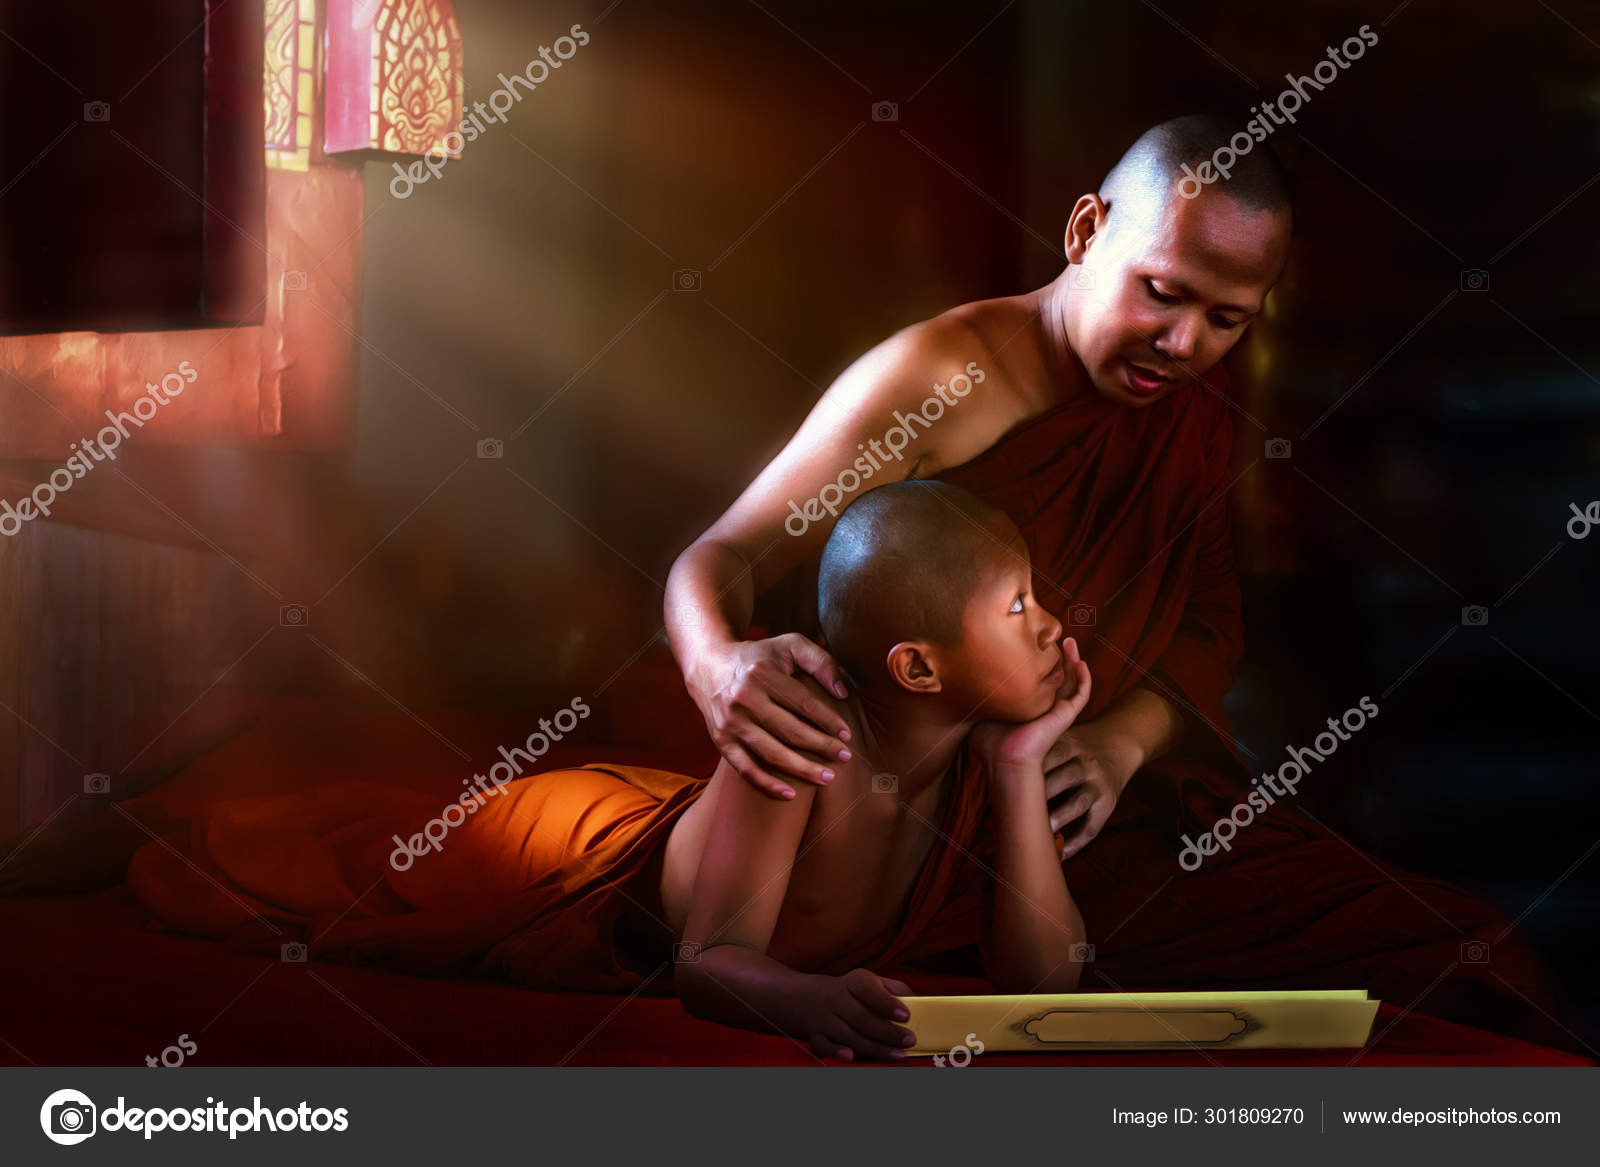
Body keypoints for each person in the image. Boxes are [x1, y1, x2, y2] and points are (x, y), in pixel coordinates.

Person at [661, 115, 1581, 1053]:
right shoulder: (936, 377)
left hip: (1073, 818)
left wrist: (1117, 744)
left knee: (1457, 952)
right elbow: (723, 555)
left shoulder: (1192, 406)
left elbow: (1207, 623)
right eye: (1162, 293)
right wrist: (715, 664)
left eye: (1227, 320)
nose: (1185, 344)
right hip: (905, 828)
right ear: (1086, 232)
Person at [120, 481, 1097, 1062]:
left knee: (368, 845)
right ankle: (141, 821)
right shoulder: (806, 744)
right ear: (916, 668)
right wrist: (807, 1001)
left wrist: (1020, 771)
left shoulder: (974, 757)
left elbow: (1047, 975)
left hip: (662, 817)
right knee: (336, 863)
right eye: (1018, 606)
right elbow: (707, 963)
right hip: (576, 852)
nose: (1050, 624)